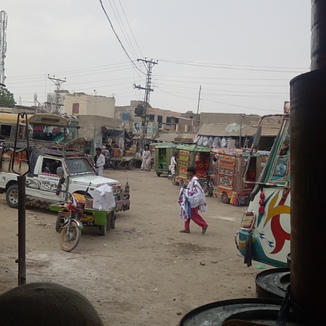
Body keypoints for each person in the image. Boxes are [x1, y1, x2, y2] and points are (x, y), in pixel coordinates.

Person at [178, 166, 208, 234]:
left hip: (193, 201)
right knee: (187, 213)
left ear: (191, 172)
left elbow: (197, 190)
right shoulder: (193, 180)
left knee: (192, 214)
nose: (187, 173)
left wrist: (187, 191)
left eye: (188, 172)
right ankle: (186, 228)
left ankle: (204, 225)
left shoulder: (195, 180)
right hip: (190, 200)